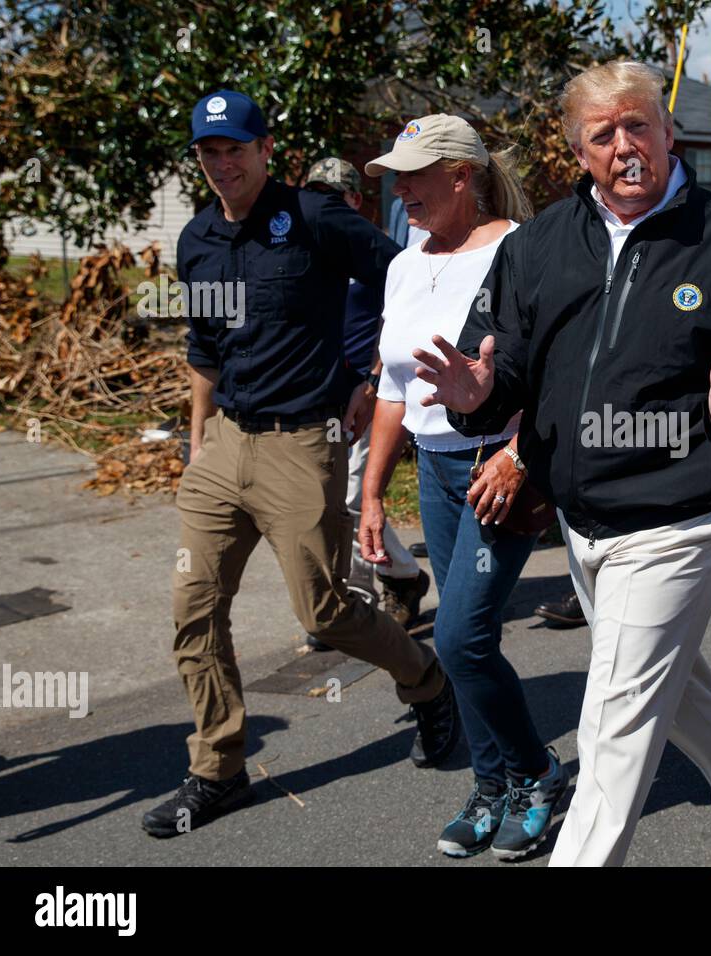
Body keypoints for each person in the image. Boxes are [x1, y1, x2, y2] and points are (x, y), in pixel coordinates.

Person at [418, 60, 711, 866]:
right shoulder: (540, 243)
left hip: (681, 513)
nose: (625, 146)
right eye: (603, 134)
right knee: (666, 687)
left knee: (612, 723)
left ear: (668, 130)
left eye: (637, 125)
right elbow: (504, 362)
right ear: (579, 151)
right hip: (584, 517)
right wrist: (478, 390)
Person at [143, 90, 457, 839]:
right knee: (193, 611)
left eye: (236, 150)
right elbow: (205, 354)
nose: (223, 164)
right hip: (223, 446)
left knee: (325, 611)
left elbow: (405, 279)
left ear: (264, 150)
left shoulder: (312, 219)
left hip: (301, 444)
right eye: (209, 153)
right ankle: (218, 769)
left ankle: (427, 682)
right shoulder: (196, 241)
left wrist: (370, 376)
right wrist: (195, 446)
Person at [358, 114, 568, 861]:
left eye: (416, 174)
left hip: (497, 467)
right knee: (465, 639)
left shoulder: (521, 248)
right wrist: (375, 493)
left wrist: (517, 452)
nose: (400, 188)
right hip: (435, 468)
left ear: (460, 175)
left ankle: (538, 774)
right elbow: (392, 387)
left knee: (459, 635)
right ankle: (491, 786)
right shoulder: (405, 261)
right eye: (395, 176)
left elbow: (555, 369)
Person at [301, 156, 430, 641]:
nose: (330, 205)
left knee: (354, 496)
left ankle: (356, 601)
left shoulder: (375, 254)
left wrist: (378, 380)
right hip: (319, 395)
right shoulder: (309, 248)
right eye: (319, 194)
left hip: (368, 390)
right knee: (334, 499)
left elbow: (399, 322)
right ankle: (402, 574)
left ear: (357, 200)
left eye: (339, 197)